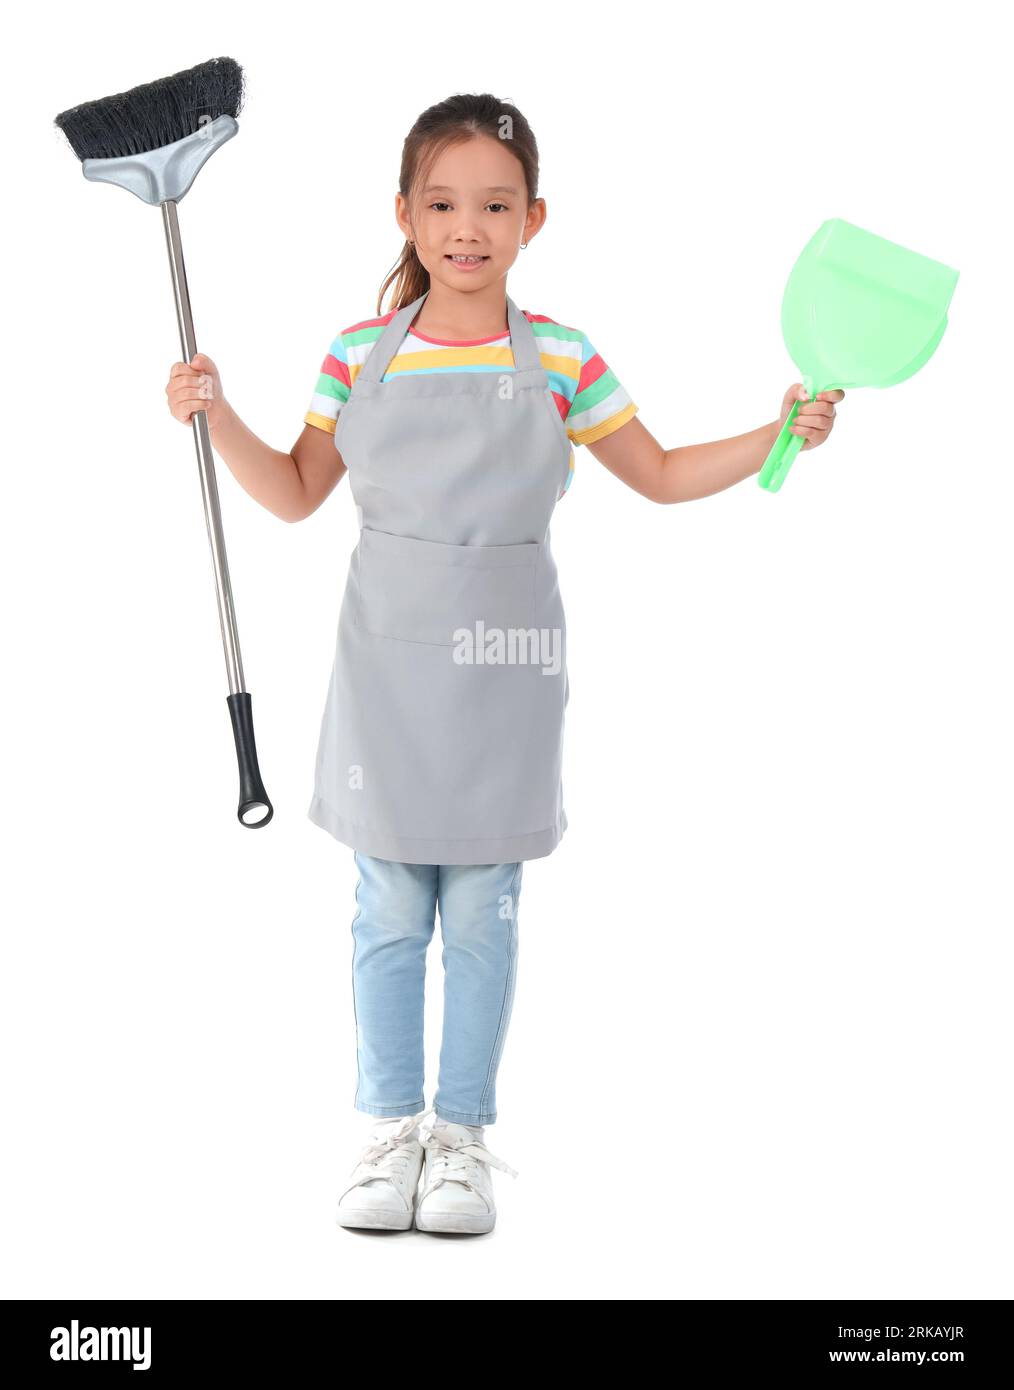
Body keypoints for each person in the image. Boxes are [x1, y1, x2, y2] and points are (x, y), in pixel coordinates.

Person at [165, 91, 843, 1238]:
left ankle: (462, 1139)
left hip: (507, 667)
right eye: (441, 202)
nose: (466, 226)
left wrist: (780, 432)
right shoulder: (352, 353)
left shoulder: (566, 358)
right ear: (404, 213)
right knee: (386, 908)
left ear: (535, 217)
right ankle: (388, 1132)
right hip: (385, 671)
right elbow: (291, 493)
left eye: (493, 203)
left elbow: (666, 472)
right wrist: (213, 414)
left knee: (482, 910)